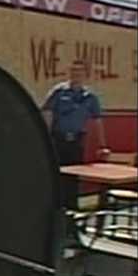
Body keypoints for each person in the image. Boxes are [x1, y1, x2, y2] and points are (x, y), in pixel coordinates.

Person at [41, 59, 110, 210]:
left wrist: (102, 146)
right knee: (55, 175)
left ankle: (72, 212)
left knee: (74, 177)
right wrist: (44, 138)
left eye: (80, 71)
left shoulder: (90, 97)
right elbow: (48, 114)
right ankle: (55, 210)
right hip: (58, 140)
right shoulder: (58, 92)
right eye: (73, 71)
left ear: (85, 75)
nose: (76, 74)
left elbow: (97, 121)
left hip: (76, 142)